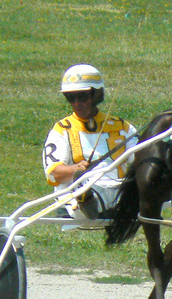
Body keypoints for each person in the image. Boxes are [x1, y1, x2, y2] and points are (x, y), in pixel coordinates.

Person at [42, 64, 137, 219]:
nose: (77, 103)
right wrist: (75, 169)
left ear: (97, 95)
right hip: (77, 193)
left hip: (119, 189)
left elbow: (141, 160)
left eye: (83, 97)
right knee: (83, 190)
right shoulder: (62, 129)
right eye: (71, 98)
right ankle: (86, 201)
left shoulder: (123, 127)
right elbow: (54, 174)